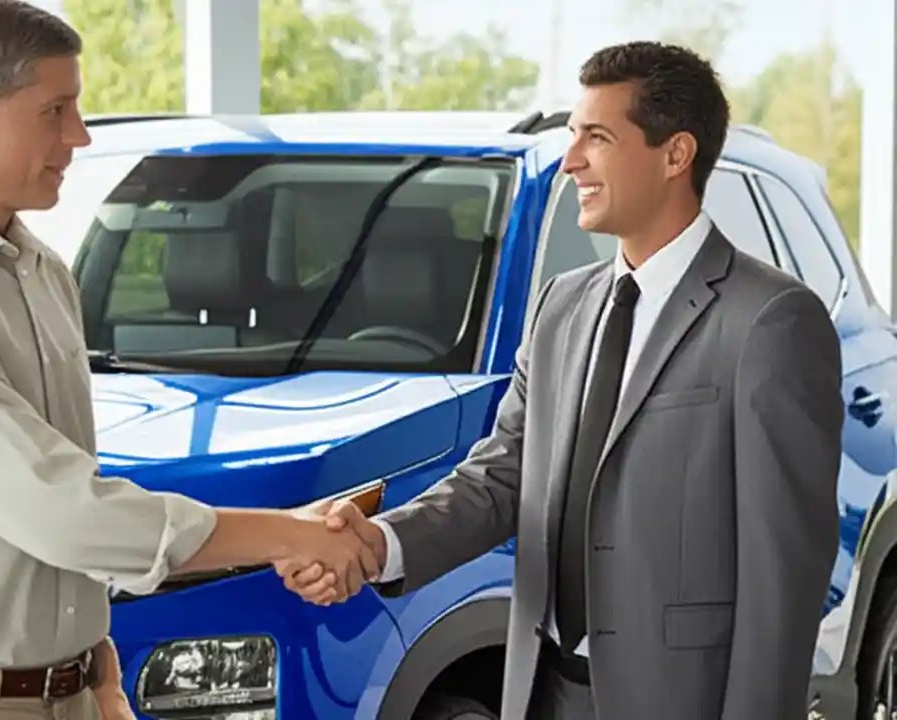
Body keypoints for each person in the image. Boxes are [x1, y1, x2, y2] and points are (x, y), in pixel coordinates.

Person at [0, 2, 376, 719]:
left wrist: (95, 673)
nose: (77, 135)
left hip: (73, 693)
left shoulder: (38, 268)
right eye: (55, 110)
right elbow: (54, 505)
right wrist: (284, 534)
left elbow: (61, 496)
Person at [281, 41, 844, 720]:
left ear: (676, 155)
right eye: (573, 136)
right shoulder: (560, 307)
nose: (572, 159)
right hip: (542, 688)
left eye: (597, 138)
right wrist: (380, 543)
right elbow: (501, 478)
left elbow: (781, 582)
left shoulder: (771, 322)